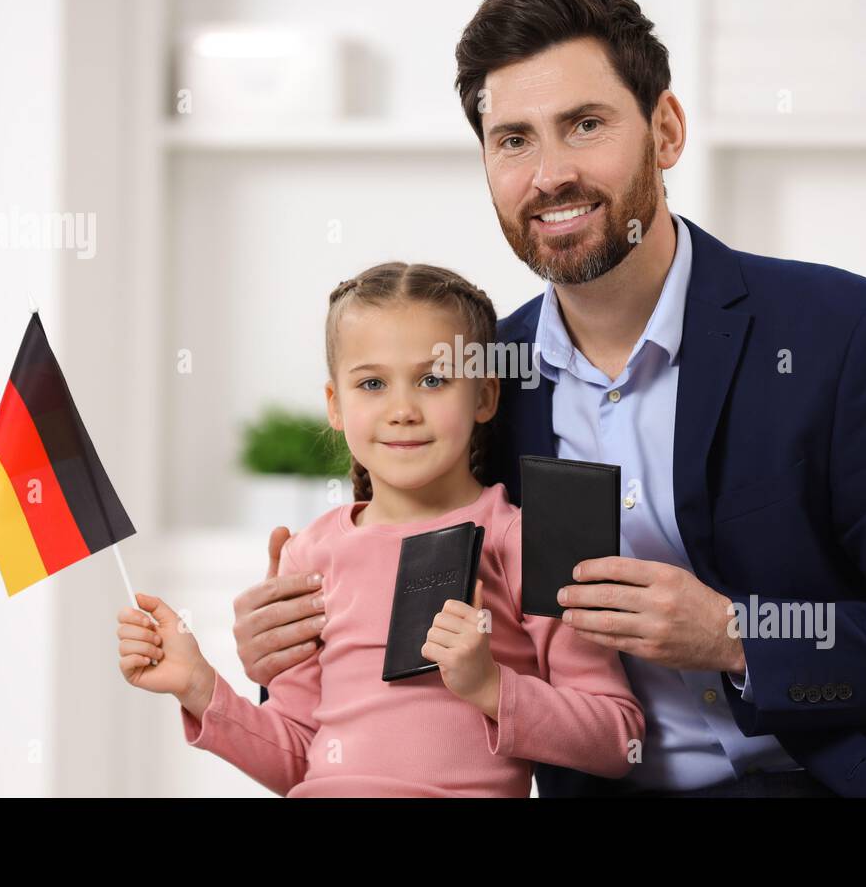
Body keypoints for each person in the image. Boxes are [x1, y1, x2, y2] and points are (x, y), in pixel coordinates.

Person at [232, 0, 866, 798]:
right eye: (513, 140)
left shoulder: (846, 336)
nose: (549, 175)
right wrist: (283, 650)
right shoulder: (471, 387)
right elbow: (384, 631)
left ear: (667, 129)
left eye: (584, 125)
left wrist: (736, 634)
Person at [116, 261, 644, 796]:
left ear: (484, 395)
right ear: (335, 406)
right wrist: (199, 686)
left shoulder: (528, 541)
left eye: (434, 379)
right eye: (372, 383)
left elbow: (616, 736)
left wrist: (490, 686)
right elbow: (298, 757)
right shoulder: (311, 554)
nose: (402, 410)